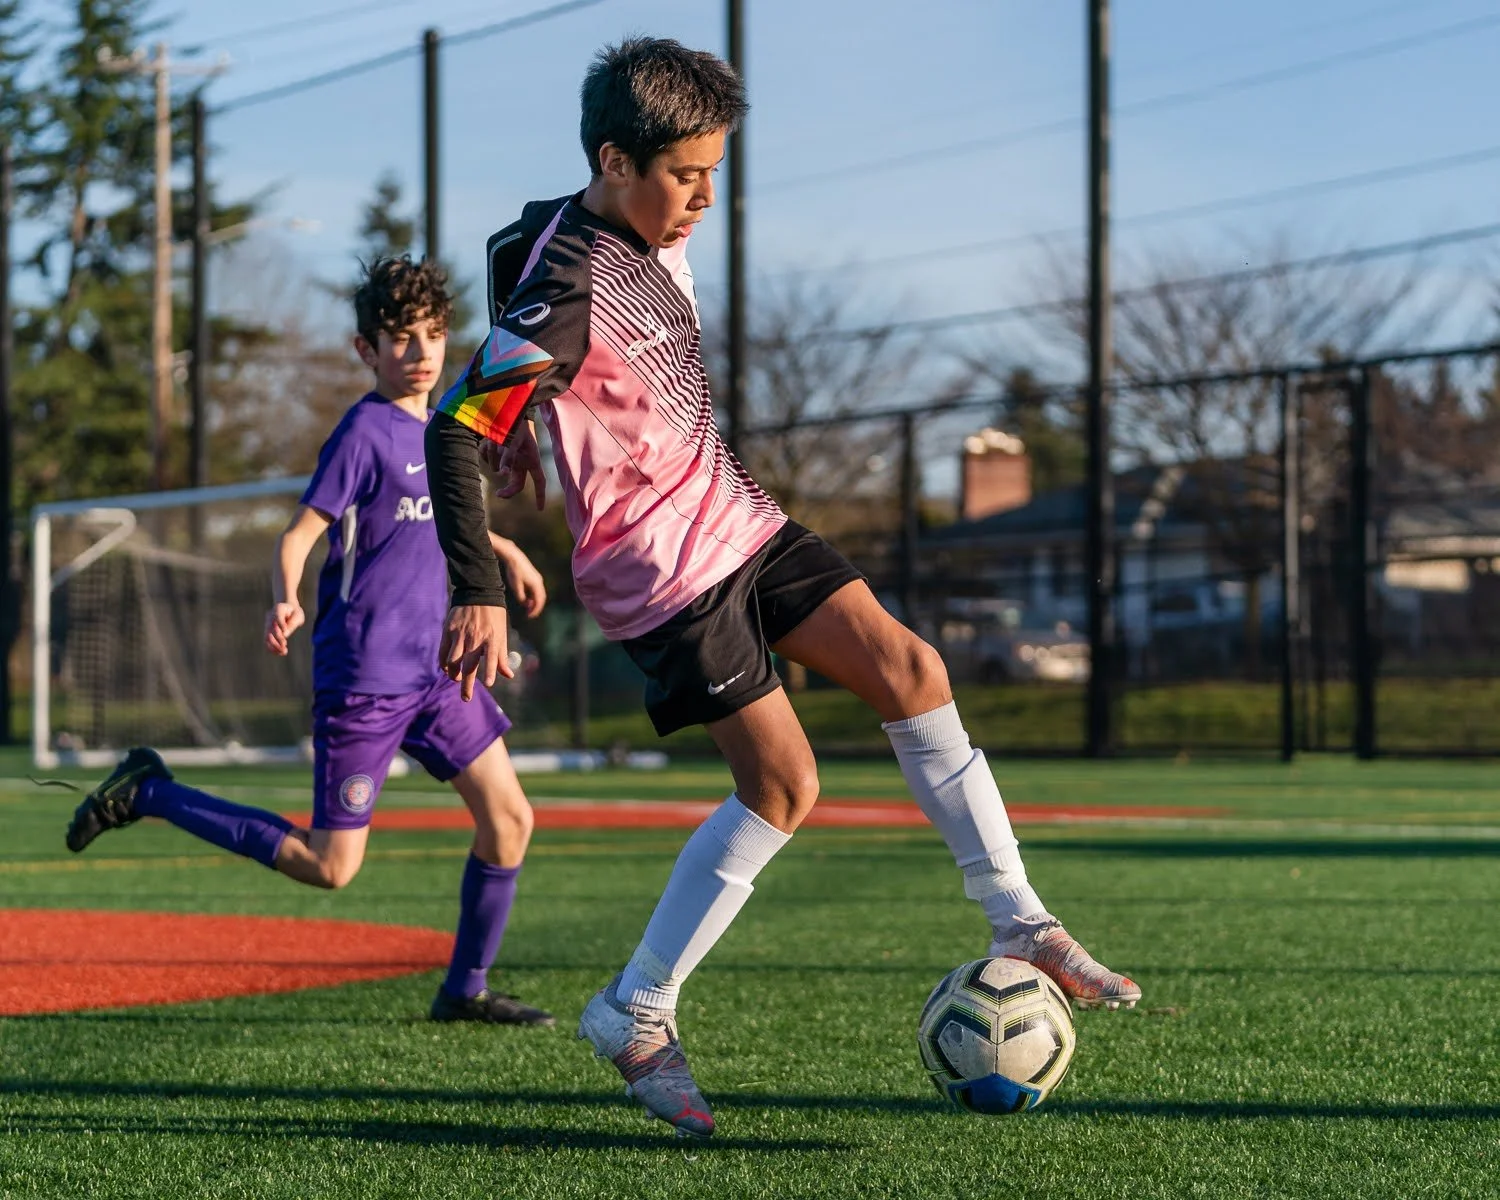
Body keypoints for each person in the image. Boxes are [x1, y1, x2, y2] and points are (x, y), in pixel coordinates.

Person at [424, 38, 1140, 1135]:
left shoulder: (567, 233)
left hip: (739, 516)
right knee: (785, 786)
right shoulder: (568, 282)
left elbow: (505, 236)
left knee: (912, 667)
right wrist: (475, 578)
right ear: (617, 160)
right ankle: (636, 1010)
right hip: (659, 570)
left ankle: (1018, 920)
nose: (705, 198)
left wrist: (530, 420)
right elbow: (455, 422)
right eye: (685, 175)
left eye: (717, 172)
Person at [65, 256, 554, 1027]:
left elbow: (441, 520)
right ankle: (149, 790)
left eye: (431, 335)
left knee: (510, 819)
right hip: (365, 678)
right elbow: (301, 534)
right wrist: (284, 596)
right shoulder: (364, 432)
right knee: (331, 869)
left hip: (437, 672)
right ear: (367, 350)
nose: (419, 352)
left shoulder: (448, 424)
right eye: (398, 338)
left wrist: (506, 551)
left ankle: (465, 991)